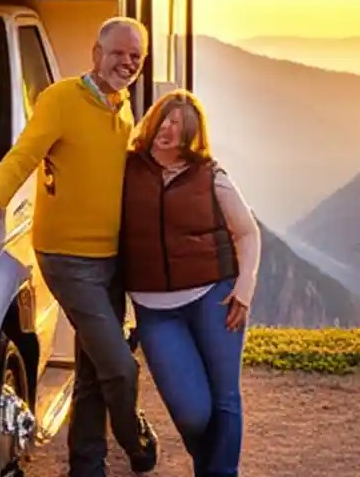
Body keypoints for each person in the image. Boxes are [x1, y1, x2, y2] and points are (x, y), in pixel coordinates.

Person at [0, 16, 159, 476]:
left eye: (136, 57)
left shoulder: (123, 109)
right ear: (96, 54)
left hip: (111, 260)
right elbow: (25, 152)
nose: (127, 63)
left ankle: (87, 464)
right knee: (120, 367)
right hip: (68, 258)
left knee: (93, 369)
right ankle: (136, 438)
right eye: (118, 53)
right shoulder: (62, 98)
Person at [118, 89, 262, 477]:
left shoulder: (210, 174)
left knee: (225, 397)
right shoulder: (127, 170)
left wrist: (244, 288)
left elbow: (247, 233)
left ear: (192, 135)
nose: (169, 128)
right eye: (165, 119)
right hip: (155, 310)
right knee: (192, 412)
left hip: (215, 297)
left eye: (180, 125)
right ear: (152, 121)